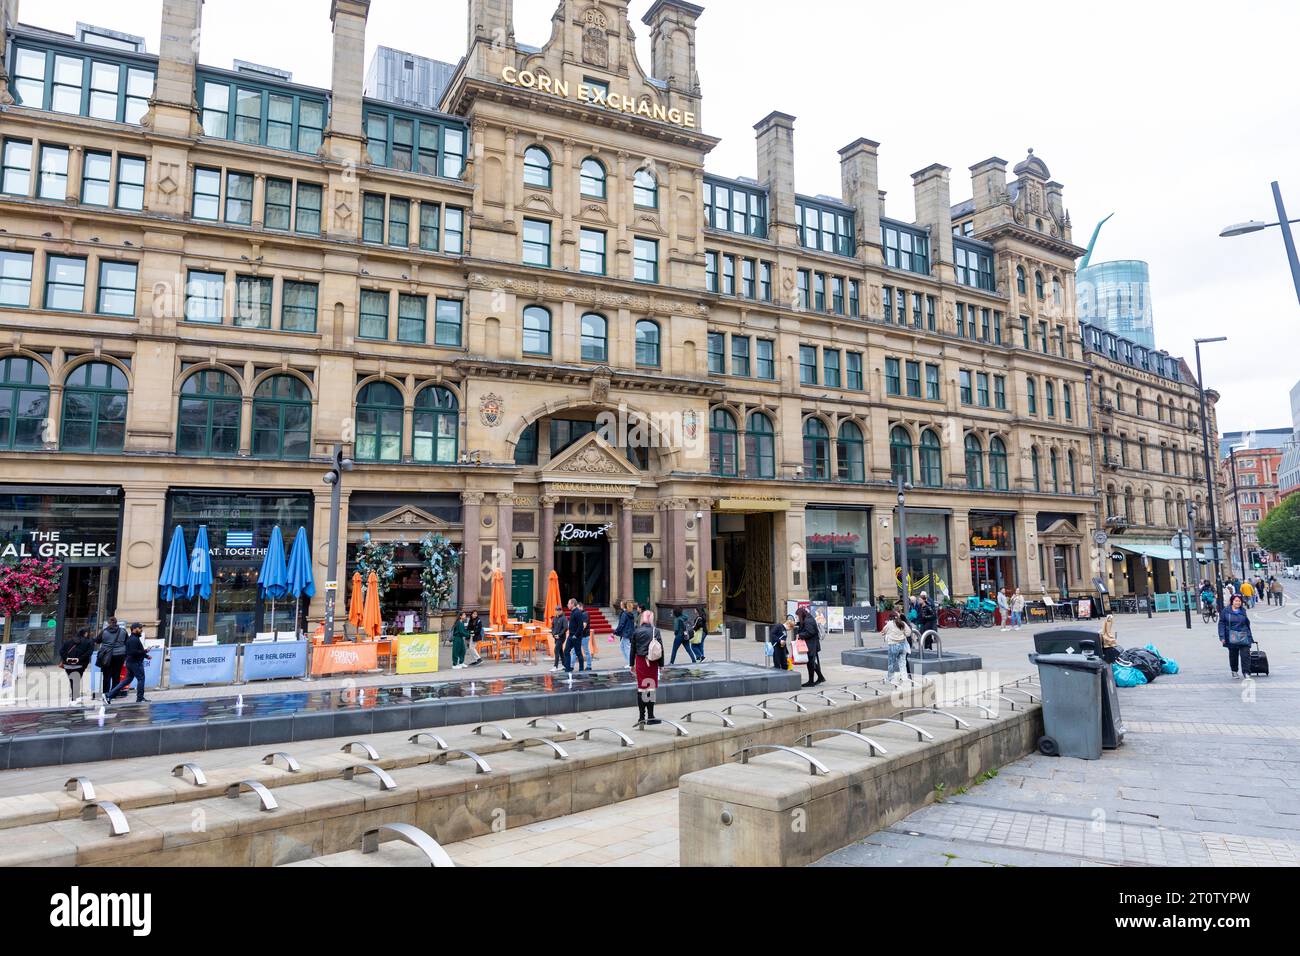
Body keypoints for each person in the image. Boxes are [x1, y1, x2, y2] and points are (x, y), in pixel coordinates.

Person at [103, 623, 151, 704]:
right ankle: (140, 698)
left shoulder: (133, 638)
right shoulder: (133, 639)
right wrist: (145, 651)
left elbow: (134, 651)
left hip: (131, 662)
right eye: (140, 628)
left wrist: (146, 656)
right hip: (135, 663)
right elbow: (133, 652)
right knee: (141, 679)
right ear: (134, 629)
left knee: (126, 680)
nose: (141, 630)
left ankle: (109, 695)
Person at [630, 609, 662, 725]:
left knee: (642, 688)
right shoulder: (656, 631)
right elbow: (660, 649)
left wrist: (631, 664)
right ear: (651, 619)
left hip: (640, 662)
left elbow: (632, 649)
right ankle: (651, 716)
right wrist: (661, 665)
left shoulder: (636, 631)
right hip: (652, 662)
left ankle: (641, 717)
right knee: (651, 689)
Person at [1218, 593, 1254, 679]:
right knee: (1233, 655)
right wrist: (1222, 637)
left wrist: (1249, 636)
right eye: (1236, 601)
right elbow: (1221, 624)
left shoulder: (1243, 611)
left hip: (1243, 635)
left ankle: (1246, 672)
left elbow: (1247, 624)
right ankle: (1234, 671)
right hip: (1231, 636)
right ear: (1232, 601)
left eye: (1239, 601)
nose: (1238, 603)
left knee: (1245, 655)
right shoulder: (1226, 611)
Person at [94, 616, 129, 701]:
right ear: (116, 622)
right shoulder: (123, 631)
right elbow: (127, 642)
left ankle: (105, 694)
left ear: (109, 623)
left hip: (107, 656)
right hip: (120, 655)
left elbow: (97, 640)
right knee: (116, 675)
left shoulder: (104, 632)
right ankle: (113, 694)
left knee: (106, 676)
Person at [60, 627, 95, 704]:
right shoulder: (88, 642)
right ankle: (75, 697)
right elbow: (89, 653)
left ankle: (74, 697)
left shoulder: (68, 641)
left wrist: (67, 659)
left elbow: (61, 651)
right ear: (85, 633)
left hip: (68, 665)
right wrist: (79, 659)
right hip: (80, 665)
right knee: (76, 680)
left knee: (72, 680)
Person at [796, 605, 824, 687]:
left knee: (810, 663)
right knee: (811, 662)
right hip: (811, 644)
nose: (797, 617)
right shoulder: (808, 618)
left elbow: (810, 632)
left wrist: (800, 635)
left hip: (811, 645)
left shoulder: (808, 621)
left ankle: (812, 681)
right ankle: (820, 678)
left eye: (798, 616)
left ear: (801, 615)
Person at [880, 609, 911, 685]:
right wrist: (902, 635)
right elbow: (908, 633)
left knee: (891, 663)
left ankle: (891, 678)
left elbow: (882, 632)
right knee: (902, 663)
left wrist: (888, 634)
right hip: (902, 645)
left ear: (890, 618)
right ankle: (904, 678)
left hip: (893, 645)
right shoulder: (903, 623)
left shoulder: (889, 624)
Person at [564, 598, 589, 673]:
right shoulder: (572, 612)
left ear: (572, 604)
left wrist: (575, 635)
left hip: (576, 637)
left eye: (568, 604)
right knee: (566, 651)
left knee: (578, 653)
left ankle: (581, 669)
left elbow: (580, 626)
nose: (567, 605)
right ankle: (568, 668)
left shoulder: (577, 612)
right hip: (571, 636)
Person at [614, 600, 635, 667]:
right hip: (627, 634)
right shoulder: (628, 613)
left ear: (623, 605)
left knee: (626, 648)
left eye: (621, 604)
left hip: (626, 634)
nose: (620, 605)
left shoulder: (624, 614)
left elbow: (621, 624)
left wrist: (615, 632)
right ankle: (629, 662)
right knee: (622, 647)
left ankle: (630, 664)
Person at [549, 606, 568, 671]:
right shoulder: (554, 618)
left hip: (561, 637)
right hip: (555, 637)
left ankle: (555, 666)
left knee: (556, 650)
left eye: (558, 611)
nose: (556, 612)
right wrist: (553, 634)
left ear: (561, 611)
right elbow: (552, 627)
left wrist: (559, 635)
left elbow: (565, 628)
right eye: (556, 611)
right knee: (560, 651)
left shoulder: (564, 618)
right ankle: (564, 665)